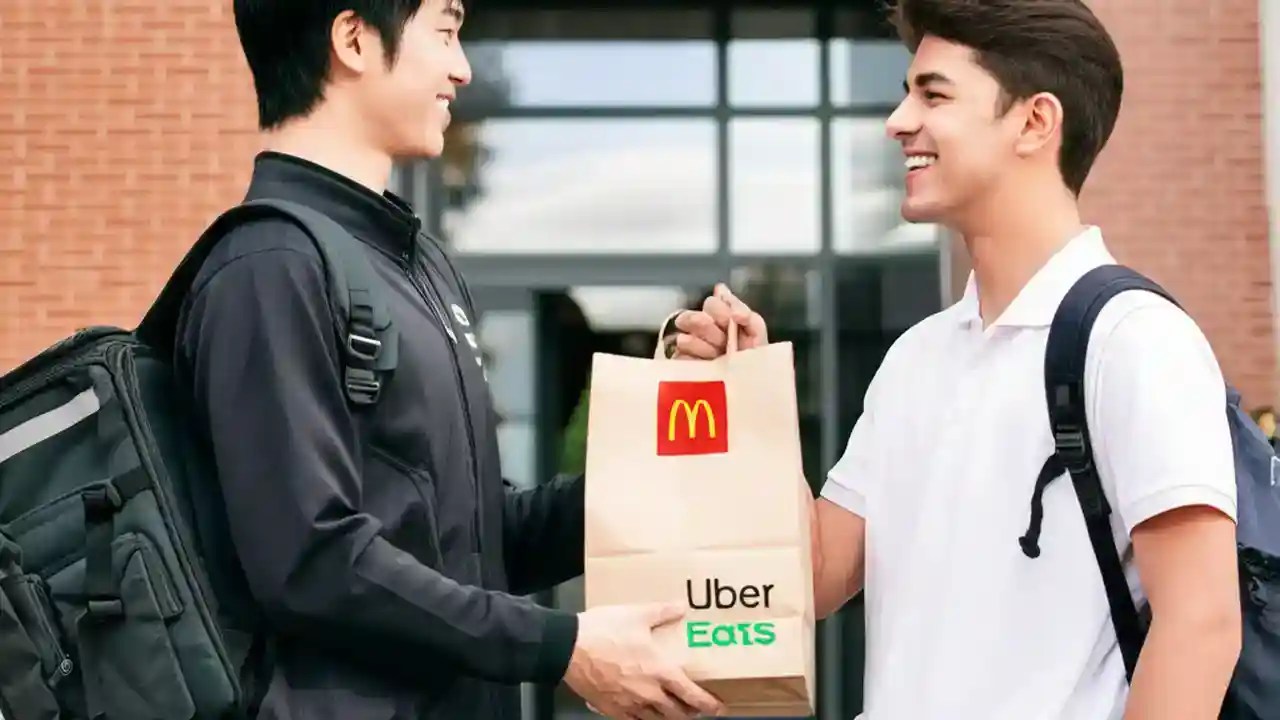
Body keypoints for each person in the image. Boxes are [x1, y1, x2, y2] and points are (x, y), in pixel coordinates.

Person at [673, 0, 1242, 718]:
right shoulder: (917, 358)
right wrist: (750, 398)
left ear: (1035, 122)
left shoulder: (1135, 340)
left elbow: (1202, 624)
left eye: (933, 93)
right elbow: (812, 578)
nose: (899, 120)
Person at [173, 1, 725, 719]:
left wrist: (674, 429)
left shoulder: (418, 267)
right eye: (447, 30)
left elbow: (489, 541)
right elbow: (310, 562)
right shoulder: (270, 265)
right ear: (354, 39)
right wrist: (561, 646)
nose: (462, 68)